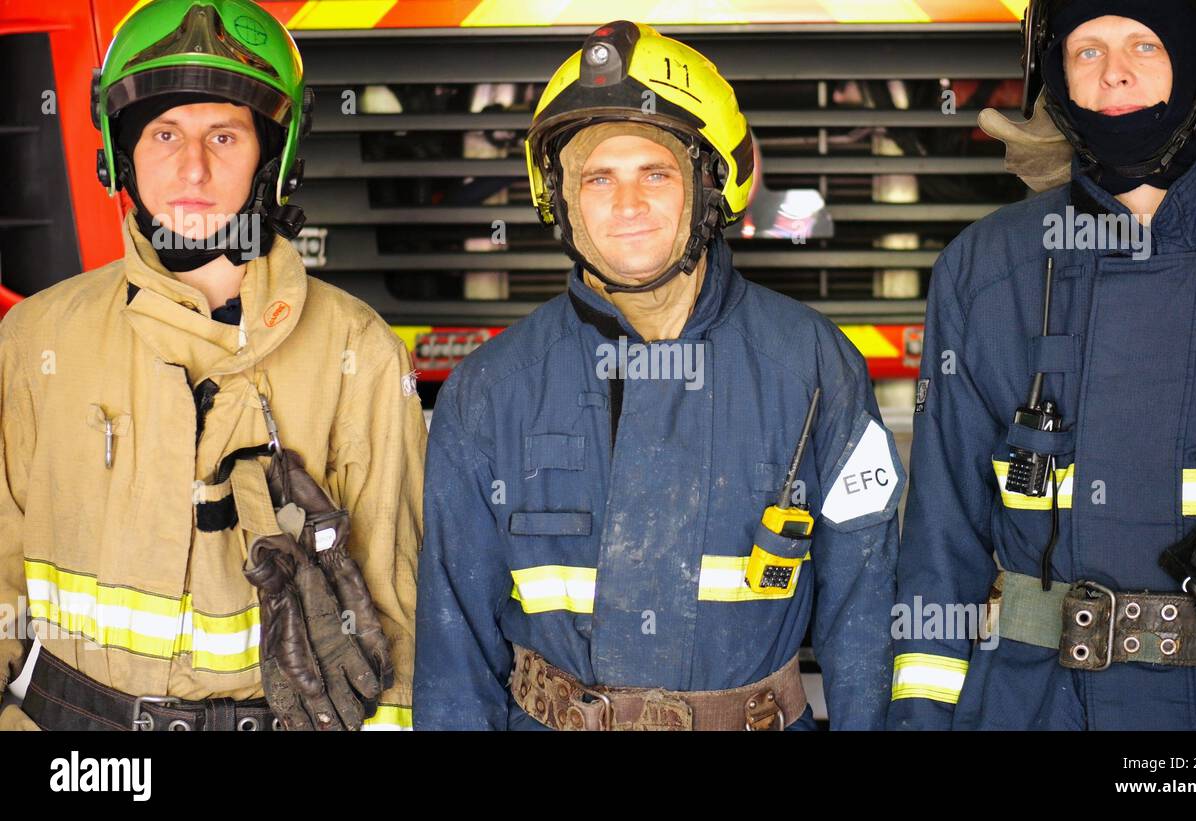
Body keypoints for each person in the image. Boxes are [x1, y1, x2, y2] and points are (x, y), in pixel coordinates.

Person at [414, 20, 903, 730]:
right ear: (562, 199)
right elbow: (453, 654)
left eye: (655, 172)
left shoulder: (815, 367)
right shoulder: (489, 390)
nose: (628, 205)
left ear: (711, 186)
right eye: (598, 177)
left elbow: (865, 617)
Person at [0, 0, 426, 731]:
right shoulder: (37, 337)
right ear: (121, 150)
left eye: (223, 135)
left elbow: (395, 625)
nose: (191, 166)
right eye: (164, 133)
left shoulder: (361, 354)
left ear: (275, 156)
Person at [889, 0, 1196, 730]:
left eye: (1145, 44)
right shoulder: (985, 270)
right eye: (1087, 50)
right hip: (1032, 703)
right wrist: (921, 718)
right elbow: (940, 544)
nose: (1115, 74)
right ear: (1052, 74)